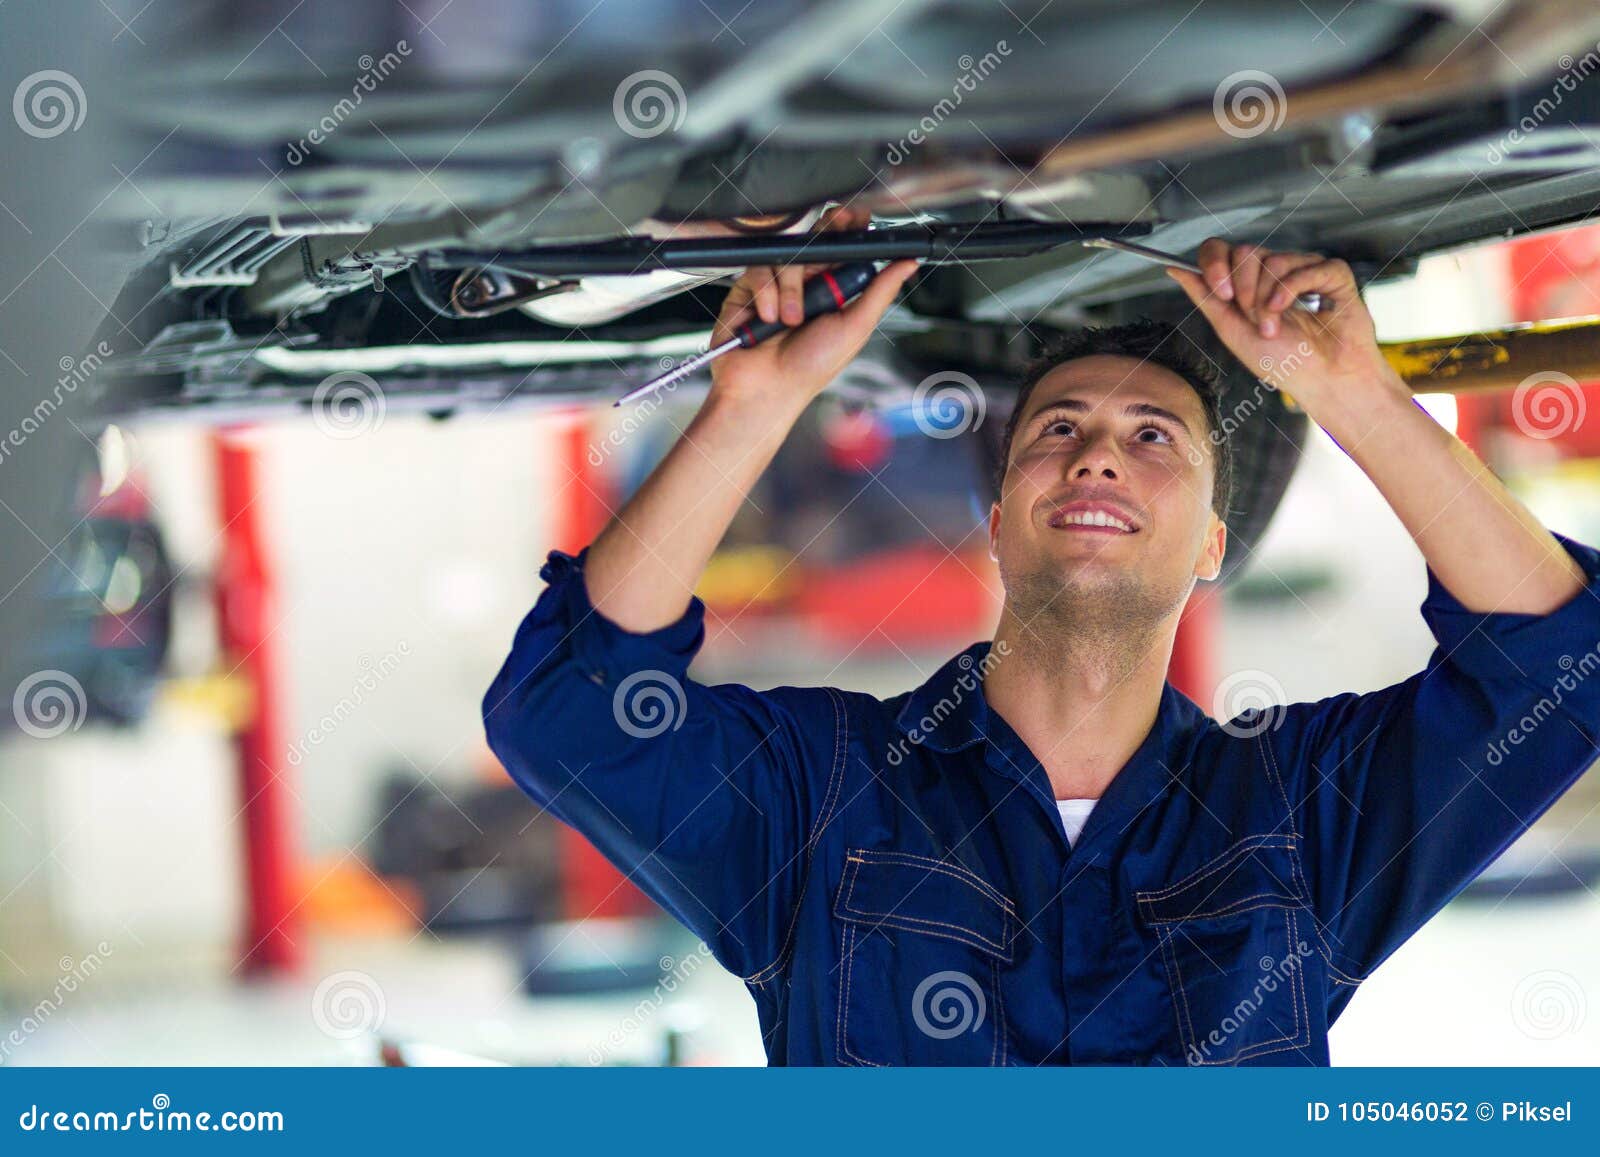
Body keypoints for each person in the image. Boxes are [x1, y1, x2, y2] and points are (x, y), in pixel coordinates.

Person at [483, 206, 1600, 1065]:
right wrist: (751, 406)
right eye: (1058, 427)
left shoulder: (1299, 815)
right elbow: (569, 713)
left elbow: (1561, 663)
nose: (1098, 454)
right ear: (998, 518)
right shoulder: (824, 796)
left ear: (1212, 543)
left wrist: (1350, 386)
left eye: (1152, 435)